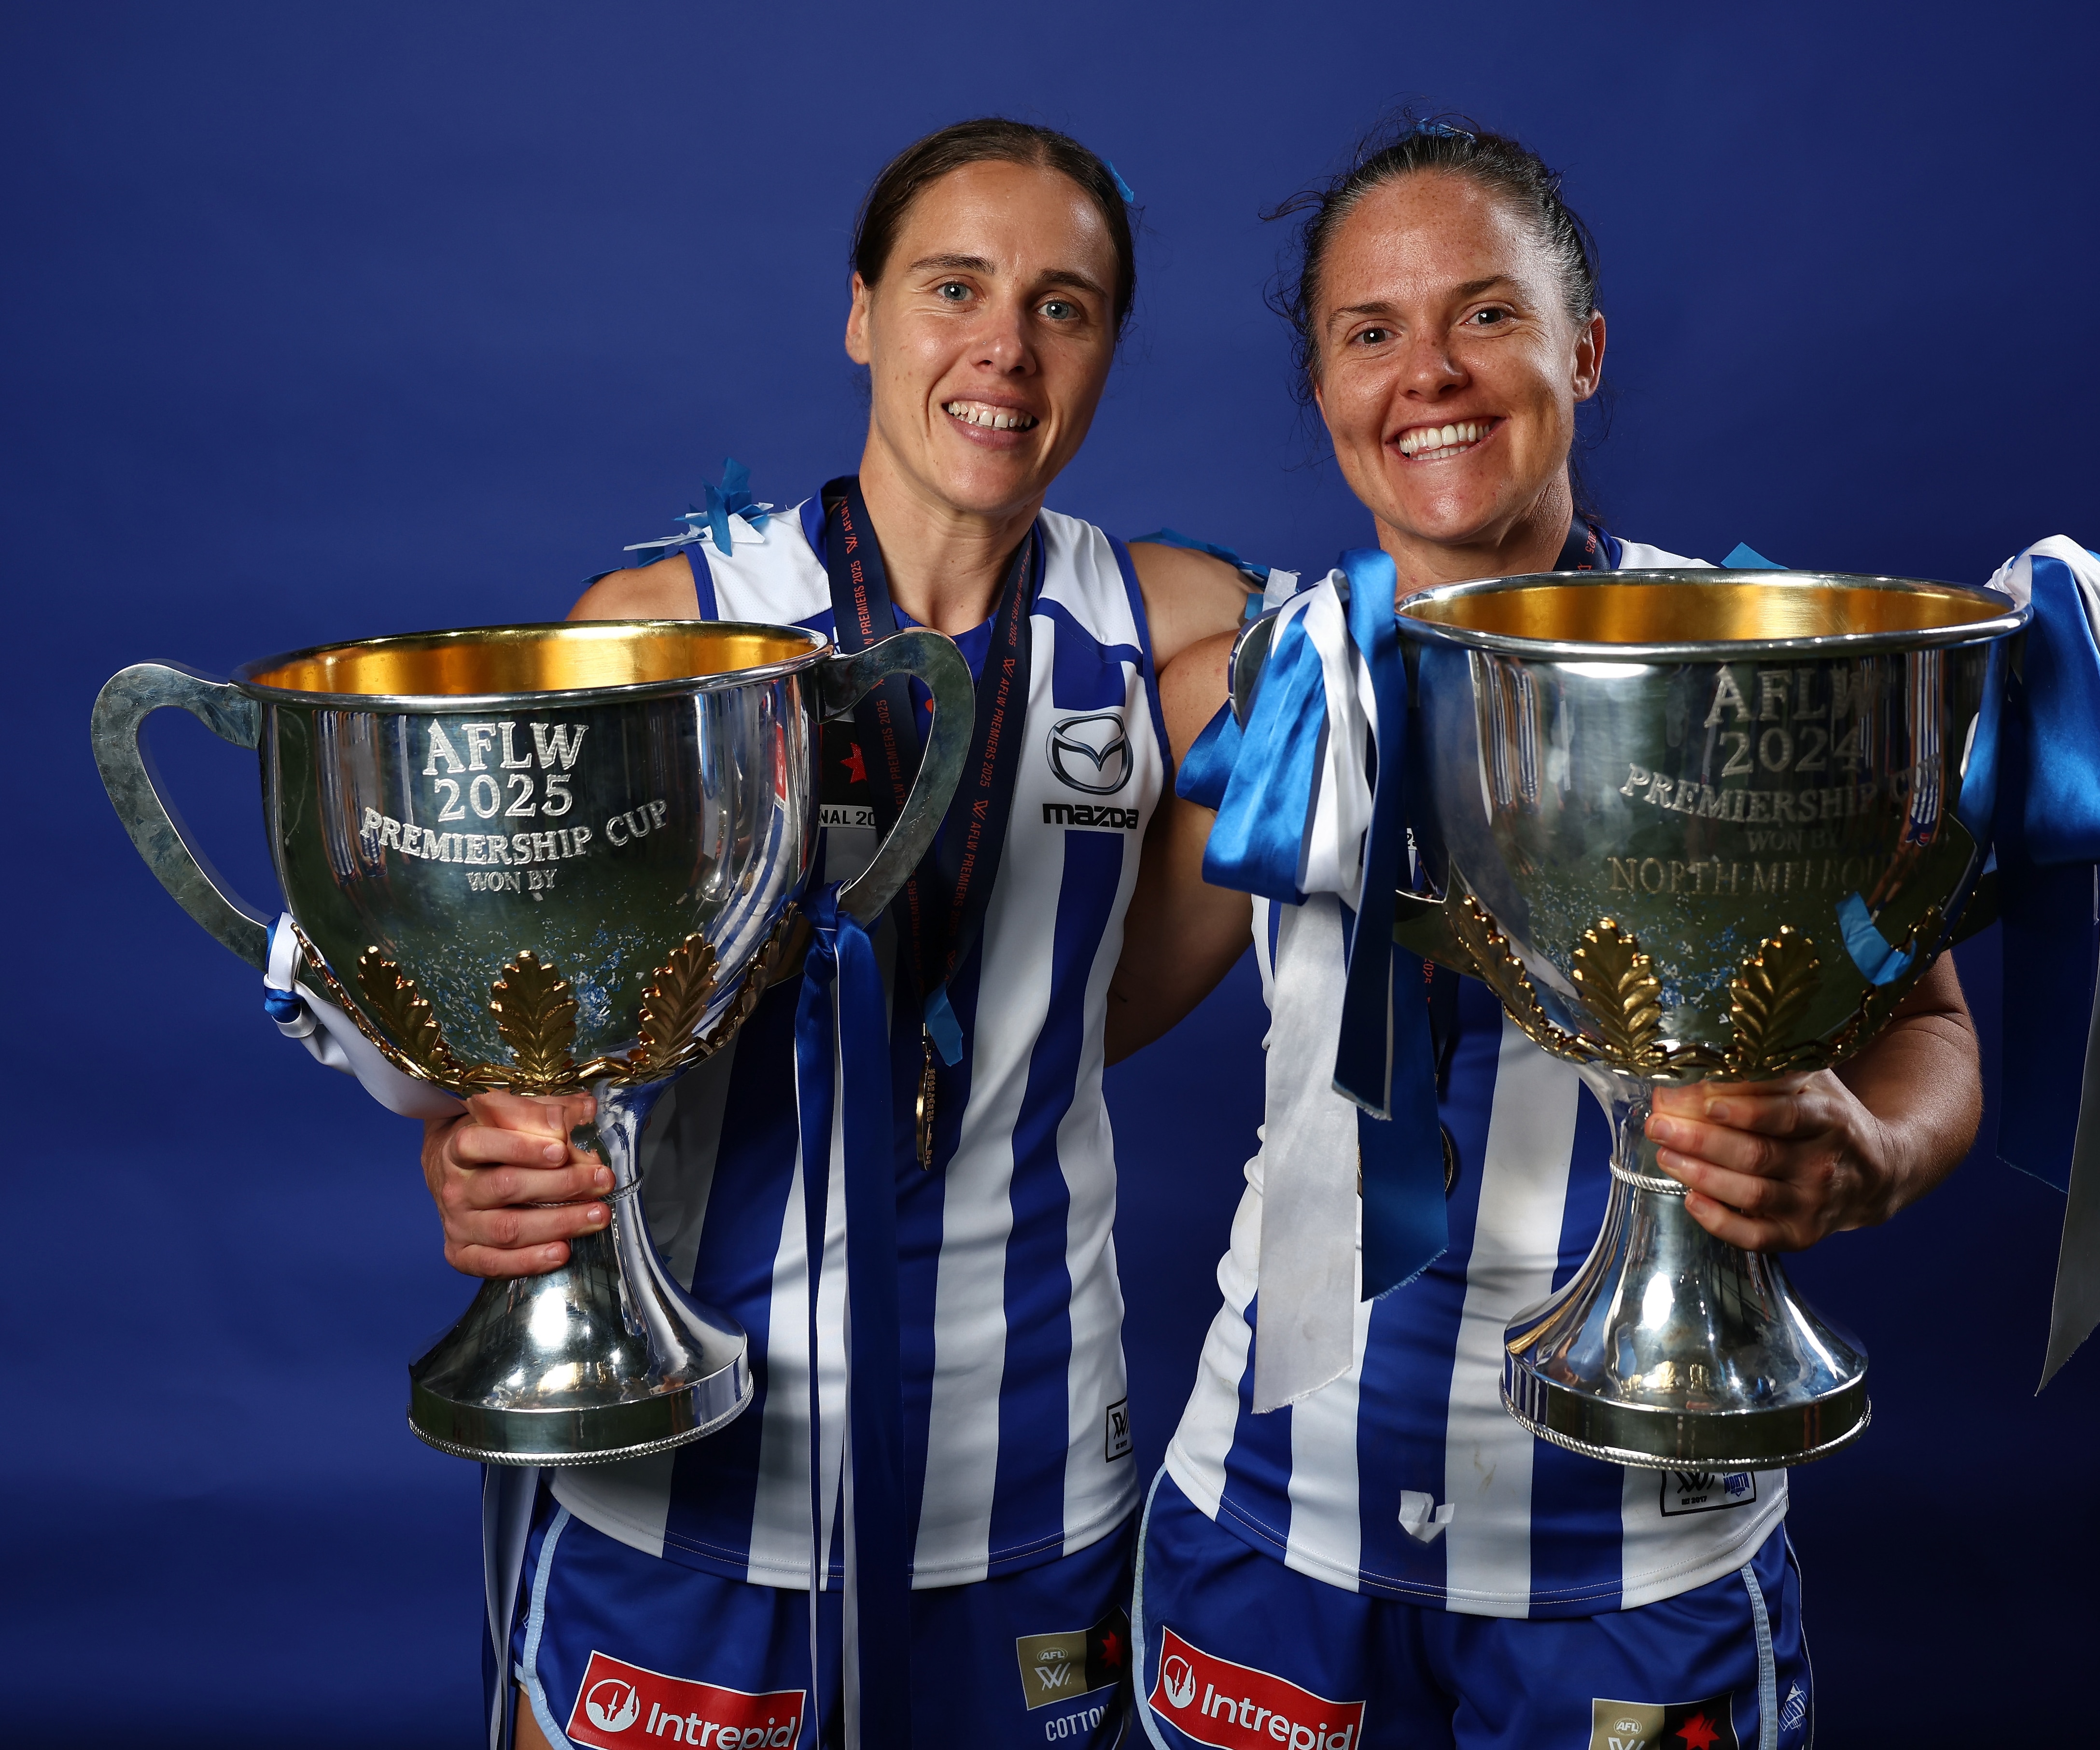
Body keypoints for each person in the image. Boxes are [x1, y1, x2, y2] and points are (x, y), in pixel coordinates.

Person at [1109, 118, 1986, 1748]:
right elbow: (1062, 1032)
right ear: (1324, 394)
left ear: (1582, 349)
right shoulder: (1269, 676)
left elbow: (1931, 1035)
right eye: (1370, 333)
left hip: (1635, 1541)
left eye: (1485, 313)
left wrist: (1872, 1153)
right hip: (1273, 1514)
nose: (1428, 371)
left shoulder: (1750, 652)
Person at [416, 118, 1253, 1750]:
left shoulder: (1183, 637)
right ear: (862, 311)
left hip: (1020, 1476)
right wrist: (476, 1141)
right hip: (684, 1468)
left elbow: (1096, 1004)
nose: (1005, 346)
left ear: (1107, 353)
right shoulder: (662, 631)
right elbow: (503, 1020)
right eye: (957, 286)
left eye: (1065, 304)